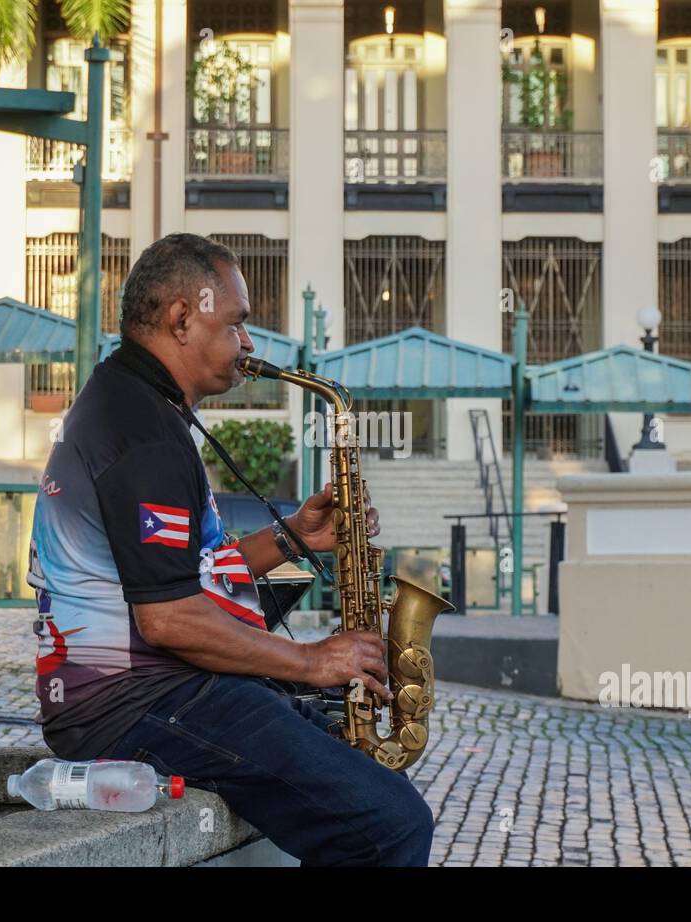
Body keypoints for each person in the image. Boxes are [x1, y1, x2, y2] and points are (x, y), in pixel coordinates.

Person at [27, 232, 435, 867]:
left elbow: (179, 578)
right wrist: (311, 662)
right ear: (182, 318)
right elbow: (168, 619)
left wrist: (292, 537)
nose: (248, 344)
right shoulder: (143, 435)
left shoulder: (136, 406)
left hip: (151, 691)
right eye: (237, 324)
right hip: (136, 705)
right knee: (390, 823)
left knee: (370, 781)